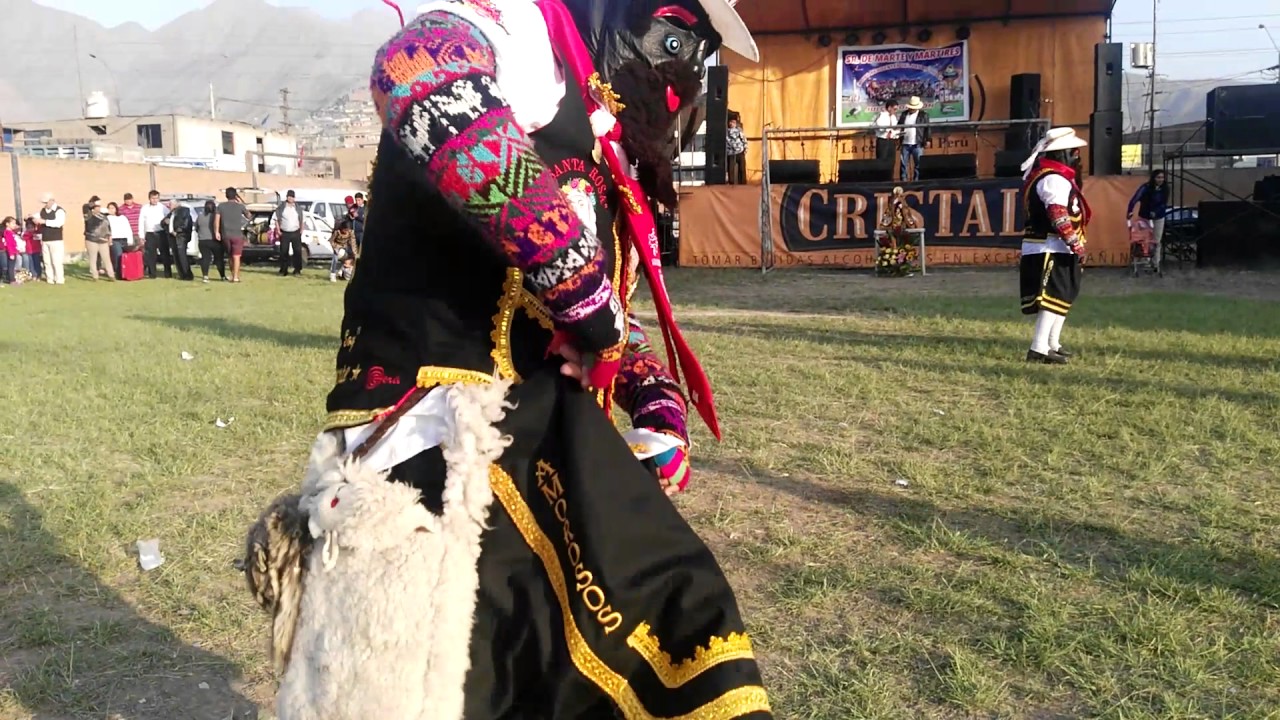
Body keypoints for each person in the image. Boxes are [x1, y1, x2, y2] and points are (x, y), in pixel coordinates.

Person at [242, 1, 772, 718]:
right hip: (433, 443)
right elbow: (421, 73)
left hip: (535, 442)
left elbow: (595, 308)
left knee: (659, 625)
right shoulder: (518, 44)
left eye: (696, 48)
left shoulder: (594, 131)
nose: (678, 66)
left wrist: (651, 393)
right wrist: (586, 297)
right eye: (674, 32)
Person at [1019, 127, 1090, 364]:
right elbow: (1057, 213)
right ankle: (1038, 348)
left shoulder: (1057, 176)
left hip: (1058, 246)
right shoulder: (1052, 178)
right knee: (1052, 297)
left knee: (1064, 296)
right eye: (1073, 151)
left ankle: (1052, 343)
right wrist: (1074, 241)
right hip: (1047, 245)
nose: (1077, 156)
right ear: (1061, 154)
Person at [1127, 169, 1169, 273]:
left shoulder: (1165, 189)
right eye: (1158, 177)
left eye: (1162, 178)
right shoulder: (1145, 188)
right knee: (1145, 240)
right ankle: (1146, 260)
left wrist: (1156, 212)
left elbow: (1164, 203)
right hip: (1145, 217)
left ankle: (1156, 263)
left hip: (1159, 217)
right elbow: (1135, 198)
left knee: (1156, 240)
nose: (1160, 180)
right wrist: (1130, 210)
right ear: (1153, 178)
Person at [214, 187, 250, 283]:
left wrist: (217, 232)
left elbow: (217, 220)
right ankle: (236, 277)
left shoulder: (220, 206)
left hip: (226, 234)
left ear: (226, 195)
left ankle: (232, 273)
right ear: (235, 195)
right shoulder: (240, 206)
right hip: (237, 234)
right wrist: (241, 202)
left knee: (230, 255)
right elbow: (249, 216)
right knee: (237, 256)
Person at [33, 192, 66, 285]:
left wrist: (44, 222)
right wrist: (30, 217)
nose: (44, 204)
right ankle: (50, 279)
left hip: (56, 239)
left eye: (46, 202)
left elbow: (58, 223)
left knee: (57, 261)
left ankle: (59, 279)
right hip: (45, 239)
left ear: (52, 201)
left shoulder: (59, 211)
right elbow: (36, 216)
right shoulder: (43, 211)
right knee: (47, 261)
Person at [898, 96, 930, 182]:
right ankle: (903, 179)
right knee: (903, 164)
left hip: (918, 142)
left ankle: (917, 180)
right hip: (905, 142)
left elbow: (927, 128)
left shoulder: (923, 115)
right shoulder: (904, 114)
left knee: (918, 164)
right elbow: (899, 126)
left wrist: (928, 139)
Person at [139, 190, 169, 279]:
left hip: (161, 233)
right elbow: (141, 222)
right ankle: (152, 274)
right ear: (149, 198)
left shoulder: (163, 208)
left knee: (165, 254)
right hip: (150, 233)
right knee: (151, 255)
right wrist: (141, 235)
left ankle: (167, 273)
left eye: (156, 198)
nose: (155, 200)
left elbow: (168, 218)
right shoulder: (144, 208)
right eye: (153, 198)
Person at [83, 198, 115, 281]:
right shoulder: (88, 215)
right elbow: (85, 206)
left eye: (99, 206)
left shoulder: (103, 216)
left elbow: (108, 227)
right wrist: (93, 203)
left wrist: (109, 237)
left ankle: (111, 275)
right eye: (97, 206)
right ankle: (95, 276)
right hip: (91, 239)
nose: (98, 208)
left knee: (106, 258)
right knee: (93, 258)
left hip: (103, 240)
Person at [195, 199, 227, 283]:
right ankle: (222, 276)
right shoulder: (216, 216)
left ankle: (205, 276)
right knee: (219, 259)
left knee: (205, 258)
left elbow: (196, 227)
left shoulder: (200, 216)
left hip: (202, 240)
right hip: (214, 240)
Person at [275, 190, 304, 276]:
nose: (290, 198)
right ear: (287, 197)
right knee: (284, 251)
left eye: (292, 197)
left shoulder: (298, 208)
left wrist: (301, 230)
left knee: (297, 252)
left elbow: (302, 220)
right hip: (285, 232)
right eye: (289, 196)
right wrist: (278, 230)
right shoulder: (281, 208)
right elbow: (276, 219)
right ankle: (284, 270)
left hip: (296, 232)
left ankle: (297, 270)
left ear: (294, 198)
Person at [166, 199, 196, 281]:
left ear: (176, 204)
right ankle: (181, 274)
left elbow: (185, 224)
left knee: (182, 256)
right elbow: (163, 222)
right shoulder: (171, 213)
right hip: (172, 237)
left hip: (180, 236)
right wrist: (165, 222)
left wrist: (178, 231)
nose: (169, 206)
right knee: (176, 256)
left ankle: (187, 274)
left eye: (170, 204)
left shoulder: (183, 211)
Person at [106, 202, 132, 276]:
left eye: (112, 208)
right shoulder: (107, 218)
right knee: (118, 255)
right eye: (109, 208)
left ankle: (126, 271)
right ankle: (119, 273)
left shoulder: (122, 217)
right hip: (115, 239)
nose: (111, 210)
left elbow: (128, 228)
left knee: (125, 257)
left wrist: (130, 239)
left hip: (124, 239)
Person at [327, 217, 356, 282]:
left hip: (345, 247)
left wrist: (354, 253)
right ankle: (333, 274)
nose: (346, 232)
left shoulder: (351, 232)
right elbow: (331, 241)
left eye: (347, 230)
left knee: (350, 258)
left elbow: (353, 243)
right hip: (337, 247)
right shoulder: (337, 232)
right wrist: (335, 248)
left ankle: (343, 270)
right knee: (335, 258)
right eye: (345, 230)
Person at [873, 99, 900, 164]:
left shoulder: (893, 117)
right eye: (894, 109)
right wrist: (889, 129)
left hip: (891, 141)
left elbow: (895, 127)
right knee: (882, 161)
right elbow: (880, 127)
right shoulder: (881, 115)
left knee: (891, 161)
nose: (895, 111)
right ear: (889, 108)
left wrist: (897, 132)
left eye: (896, 109)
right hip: (883, 141)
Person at [726, 113, 747, 184]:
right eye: (730, 122)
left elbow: (744, 140)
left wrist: (745, 149)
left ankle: (743, 182)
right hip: (731, 152)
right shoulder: (726, 132)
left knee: (742, 168)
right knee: (731, 169)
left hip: (740, 151)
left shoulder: (739, 131)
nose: (732, 124)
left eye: (733, 122)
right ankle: (731, 182)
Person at [22, 216, 41, 282]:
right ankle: (34, 275)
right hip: (29, 251)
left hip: (37, 250)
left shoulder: (37, 232)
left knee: (37, 263)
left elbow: (39, 228)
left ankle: (38, 275)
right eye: (29, 228)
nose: (30, 229)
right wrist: (30, 234)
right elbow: (24, 238)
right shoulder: (26, 234)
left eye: (32, 227)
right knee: (31, 264)